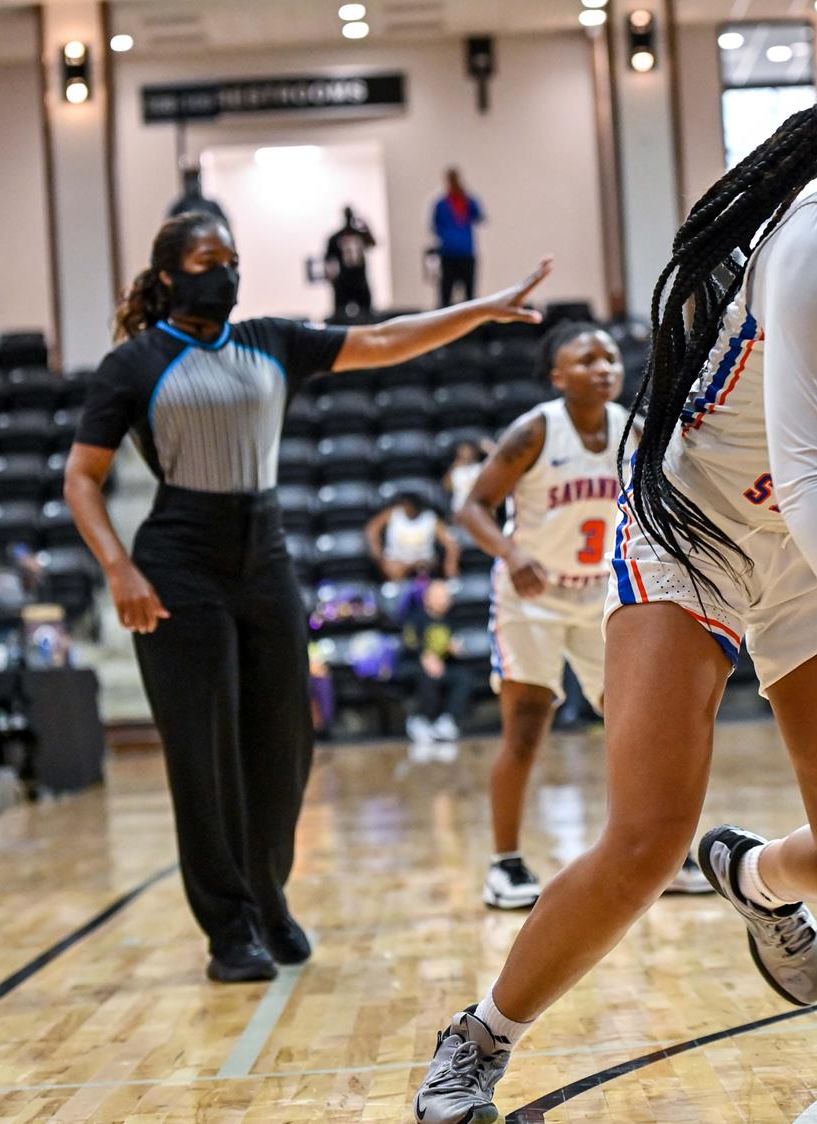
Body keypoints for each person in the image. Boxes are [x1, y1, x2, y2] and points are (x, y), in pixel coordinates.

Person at [412, 8, 817, 1120]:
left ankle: (749, 873)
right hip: (695, 531)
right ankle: (480, 1034)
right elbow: (801, 478)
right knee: (646, 835)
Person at [64, 209, 552, 985]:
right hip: (179, 562)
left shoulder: (270, 339)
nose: (222, 269)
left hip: (265, 556)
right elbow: (80, 479)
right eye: (204, 257)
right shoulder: (134, 364)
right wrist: (119, 568)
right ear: (167, 276)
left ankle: (268, 894)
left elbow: (390, 339)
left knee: (286, 743)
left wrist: (482, 307)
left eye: (231, 255)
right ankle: (229, 928)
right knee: (204, 754)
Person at [453, 321, 710, 910]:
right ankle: (505, 864)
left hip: (600, 593)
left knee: (633, 723)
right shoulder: (535, 431)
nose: (603, 366)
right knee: (525, 729)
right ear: (557, 375)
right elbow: (471, 507)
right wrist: (512, 553)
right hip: (532, 596)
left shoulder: (634, 431)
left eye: (610, 357)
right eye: (586, 358)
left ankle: (656, 850)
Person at [400, 579, 475, 745]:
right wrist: (425, 656)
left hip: (443, 665)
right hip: (413, 664)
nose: (444, 600)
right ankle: (421, 720)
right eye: (440, 596)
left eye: (446, 596)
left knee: (463, 676)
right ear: (427, 598)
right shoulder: (416, 618)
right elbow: (409, 643)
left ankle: (448, 721)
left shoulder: (450, 620)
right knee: (426, 675)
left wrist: (453, 650)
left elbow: (453, 643)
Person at [366, 492, 460, 584]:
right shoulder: (393, 514)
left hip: (423, 563)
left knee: (423, 570)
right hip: (396, 560)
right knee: (394, 569)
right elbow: (372, 529)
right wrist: (379, 555)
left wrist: (450, 568)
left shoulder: (430, 518)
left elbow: (451, 543)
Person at [431, 168, 484, 308]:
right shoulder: (441, 204)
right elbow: (435, 226)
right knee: (446, 296)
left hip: (465, 253)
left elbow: (479, 215)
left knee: (470, 297)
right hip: (449, 254)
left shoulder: (467, 201)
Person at [325, 207, 377, 320]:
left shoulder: (360, 234)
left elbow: (373, 243)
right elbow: (328, 261)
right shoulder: (336, 237)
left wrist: (366, 228)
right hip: (344, 280)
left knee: (367, 314)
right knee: (339, 314)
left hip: (359, 280)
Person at [444, 439, 486, 512]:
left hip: (478, 507)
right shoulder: (456, 469)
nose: (465, 453)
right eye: (463, 450)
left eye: (468, 450)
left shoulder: (481, 467)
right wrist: (453, 467)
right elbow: (447, 487)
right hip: (459, 508)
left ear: (474, 451)